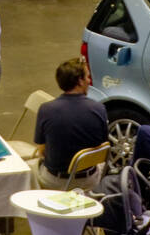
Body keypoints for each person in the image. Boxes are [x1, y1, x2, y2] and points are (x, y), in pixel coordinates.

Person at [29, 57, 109, 191]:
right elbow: (101, 147)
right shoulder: (99, 109)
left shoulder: (46, 109)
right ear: (79, 81)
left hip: (55, 182)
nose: (89, 81)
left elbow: (41, 151)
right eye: (87, 77)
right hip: (89, 182)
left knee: (29, 168)